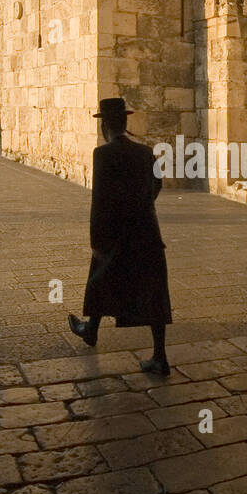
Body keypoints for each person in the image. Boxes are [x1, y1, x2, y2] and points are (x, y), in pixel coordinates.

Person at [68, 97, 172, 375]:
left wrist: (96, 240)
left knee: (100, 279)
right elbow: (156, 186)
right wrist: (142, 207)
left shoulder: (102, 154)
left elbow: (99, 200)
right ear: (125, 122)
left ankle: (90, 329)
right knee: (154, 293)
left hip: (115, 233)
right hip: (146, 231)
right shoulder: (146, 152)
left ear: (105, 125)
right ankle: (159, 354)